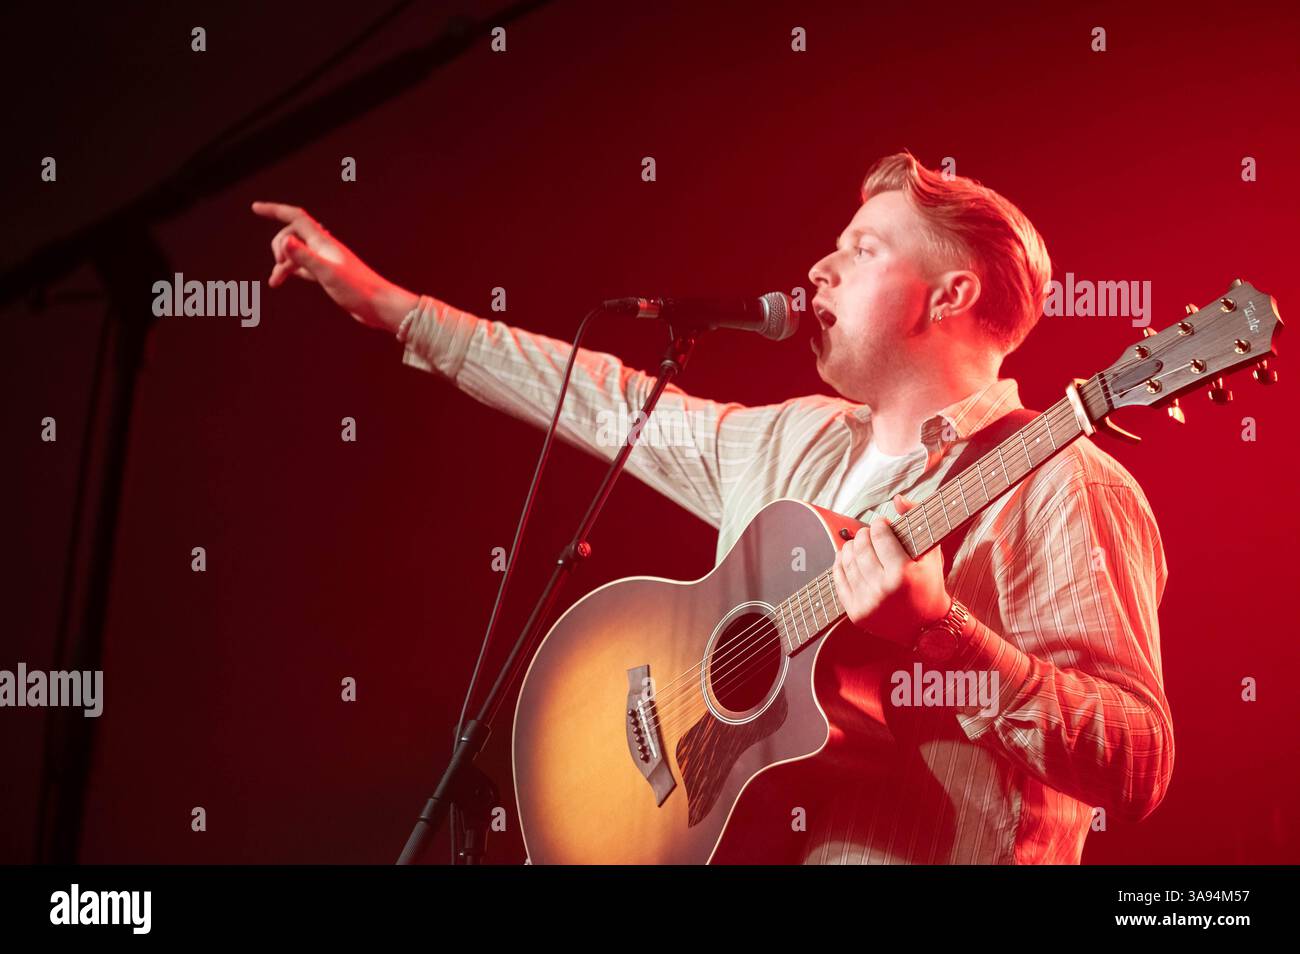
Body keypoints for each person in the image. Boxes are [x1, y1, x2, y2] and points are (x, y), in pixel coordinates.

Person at [251, 151, 1174, 863]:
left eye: (863, 248)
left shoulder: (1068, 484)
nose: (820, 265)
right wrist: (393, 307)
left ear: (954, 293)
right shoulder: (792, 439)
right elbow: (601, 397)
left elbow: (1138, 762)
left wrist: (944, 631)